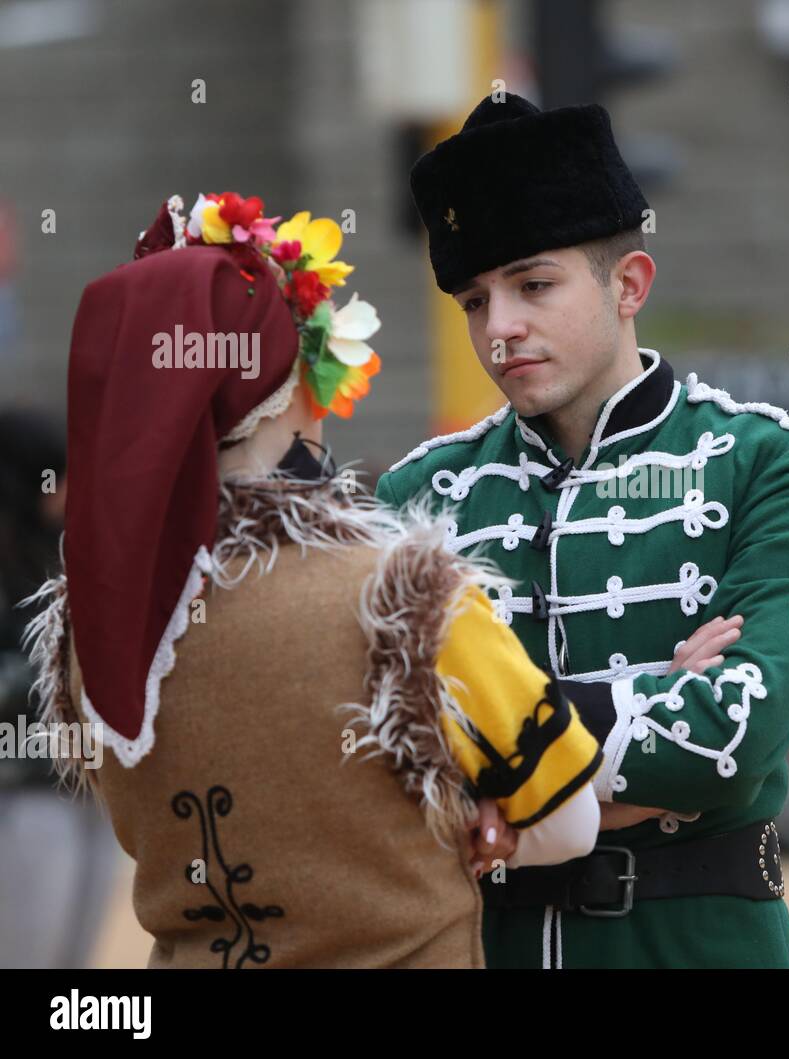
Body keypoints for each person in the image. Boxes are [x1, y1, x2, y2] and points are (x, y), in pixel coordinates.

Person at [22, 192, 602, 968]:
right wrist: (465, 816)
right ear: (297, 382)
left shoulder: (93, 622)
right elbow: (570, 823)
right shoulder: (404, 597)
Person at [377, 93, 789, 968]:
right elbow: (385, 768)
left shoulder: (767, 463)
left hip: (697, 946)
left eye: (534, 284)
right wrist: (648, 702)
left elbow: (730, 741)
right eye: (475, 301)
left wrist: (506, 768)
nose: (500, 329)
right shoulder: (420, 493)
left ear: (628, 284)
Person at [0, 409, 119, 969]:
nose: (74, 486)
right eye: (61, 473)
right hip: (23, 791)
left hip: (90, 788)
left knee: (75, 968)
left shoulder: (67, 547)